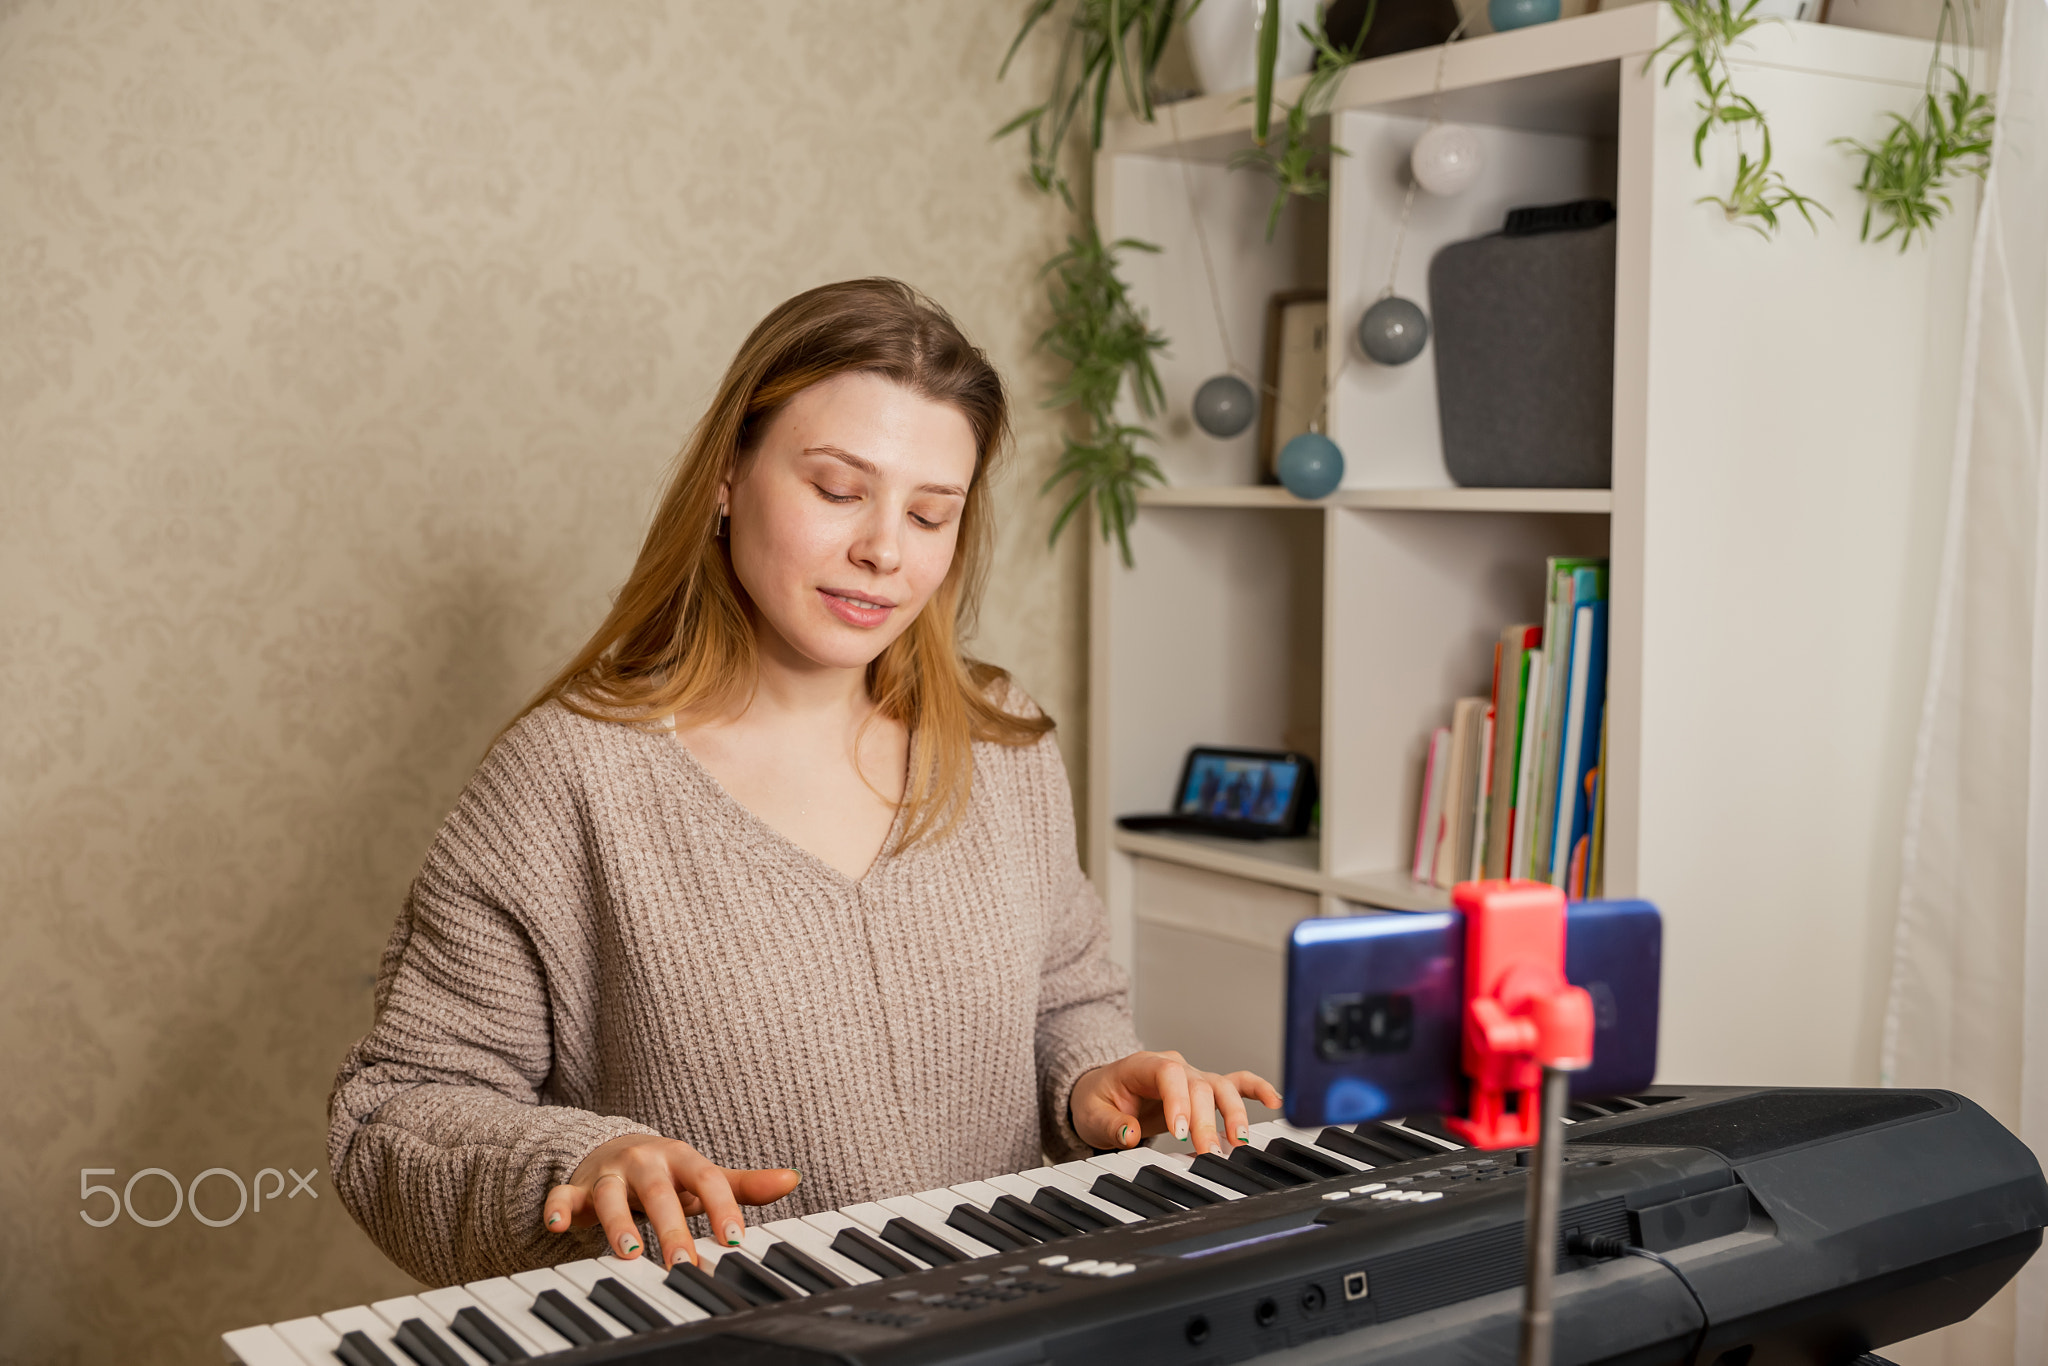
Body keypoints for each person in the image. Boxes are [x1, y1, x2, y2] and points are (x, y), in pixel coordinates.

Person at [328, 278, 1280, 1288]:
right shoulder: (569, 778)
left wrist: (1094, 1077)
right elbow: (400, 1110)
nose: (881, 549)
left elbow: (1062, 997)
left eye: (929, 513)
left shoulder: (1002, 747)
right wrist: (580, 1160)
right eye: (837, 491)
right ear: (727, 477)